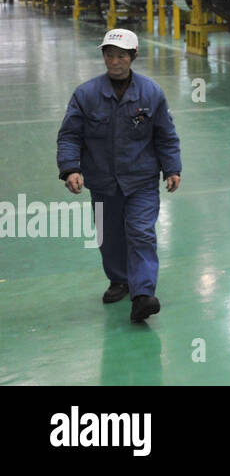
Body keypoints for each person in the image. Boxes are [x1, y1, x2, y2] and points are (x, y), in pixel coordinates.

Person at [57, 29, 182, 323]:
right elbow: (70, 136)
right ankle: (119, 279)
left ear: (133, 57)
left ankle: (142, 295)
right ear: (103, 56)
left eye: (121, 56)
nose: (114, 62)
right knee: (109, 235)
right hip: (101, 181)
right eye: (109, 55)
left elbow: (166, 135)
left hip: (141, 179)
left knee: (141, 232)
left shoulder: (151, 93)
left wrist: (172, 167)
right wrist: (71, 168)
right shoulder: (86, 95)